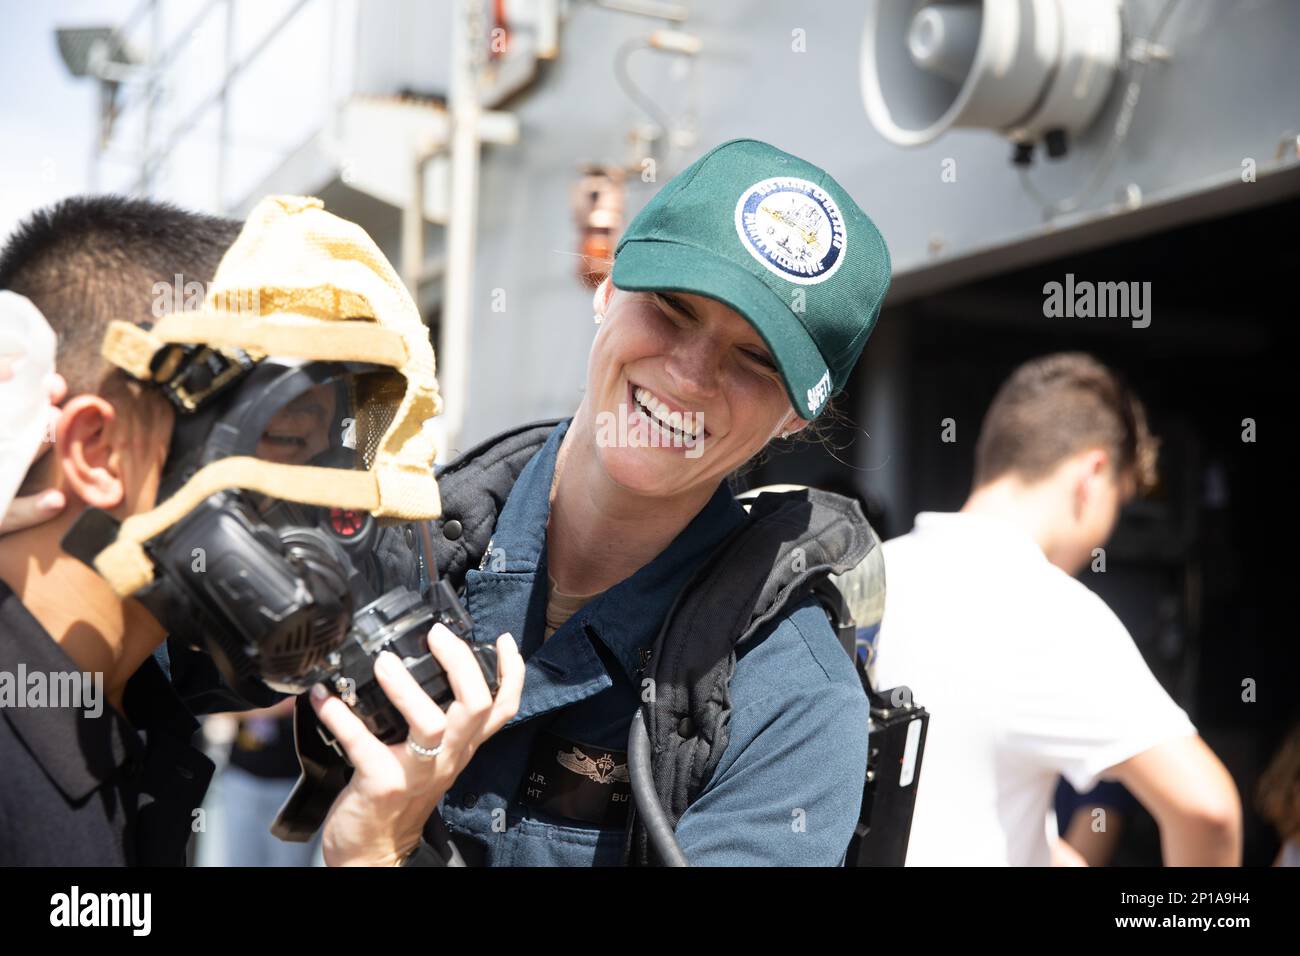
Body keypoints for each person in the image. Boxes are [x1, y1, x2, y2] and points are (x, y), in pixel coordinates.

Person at [341, 137, 893, 865]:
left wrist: (378, 850)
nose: (691, 376)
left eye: (757, 358)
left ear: (798, 415)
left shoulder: (794, 708)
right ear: (606, 288)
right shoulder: (393, 540)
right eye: (671, 305)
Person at [0, 195, 523, 866]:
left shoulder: (137, 716)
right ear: (99, 450)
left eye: (340, 460)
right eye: (285, 439)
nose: (332, 514)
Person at [874, 352, 1242, 866]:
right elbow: (1208, 809)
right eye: (1119, 499)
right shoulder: (1049, 610)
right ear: (1092, 476)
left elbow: (976, 822)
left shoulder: (870, 576)